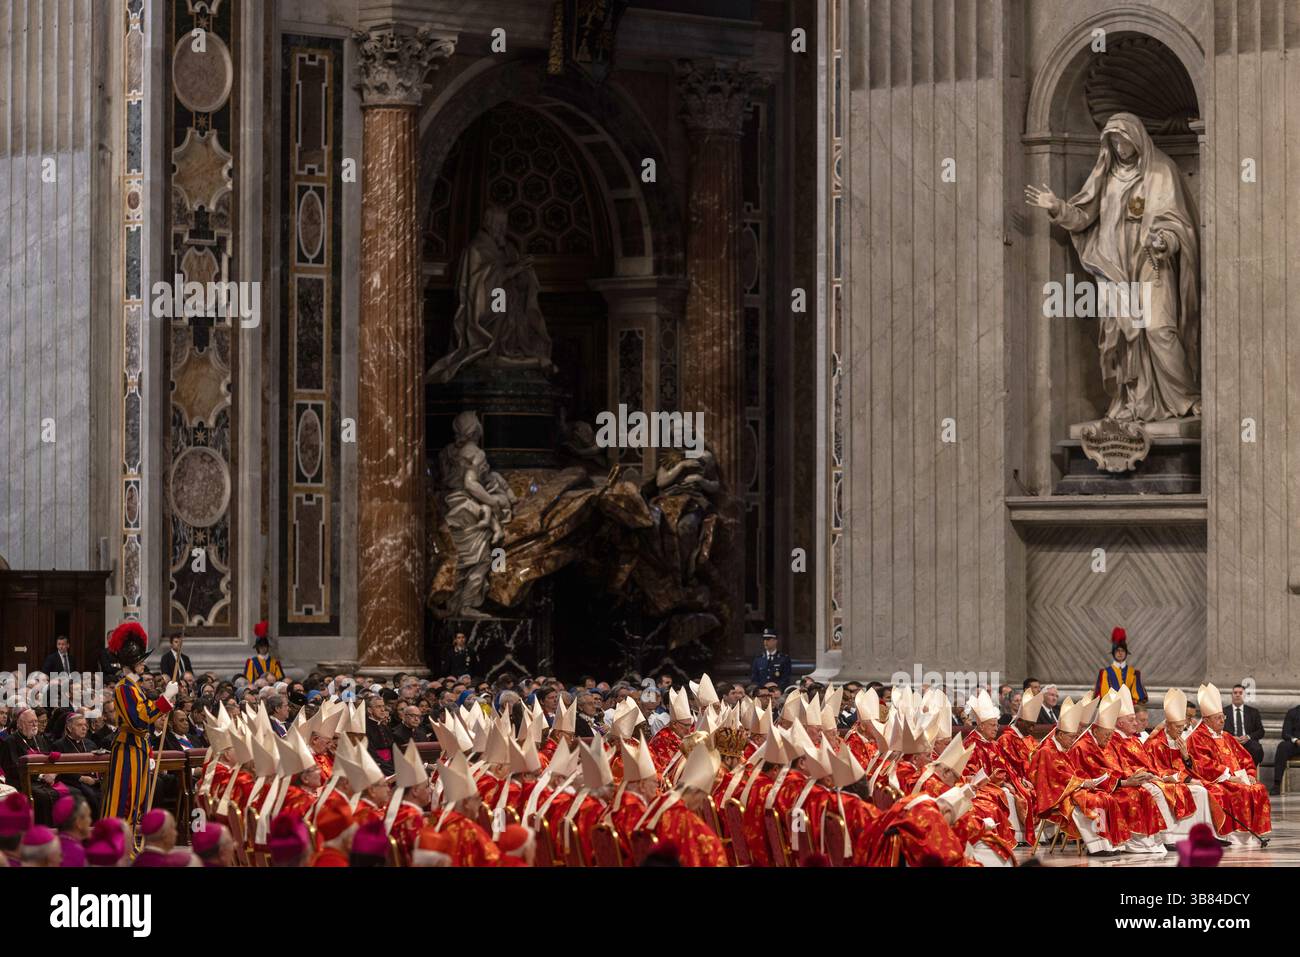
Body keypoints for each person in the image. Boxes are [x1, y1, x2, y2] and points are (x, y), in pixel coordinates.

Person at [103, 622, 179, 837]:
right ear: (133, 662)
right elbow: (139, 720)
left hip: (138, 747)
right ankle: (117, 843)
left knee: (137, 798)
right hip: (127, 748)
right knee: (125, 799)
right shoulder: (125, 688)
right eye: (141, 661)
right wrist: (166, 698)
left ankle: (129, 843)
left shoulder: (133, 687)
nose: (144, 665)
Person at [52, 712, 102, 818]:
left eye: (85, 725)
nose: (84, 728)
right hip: (73, 781)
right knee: (91, 795)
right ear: (69, 728)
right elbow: (60, 769)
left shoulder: (90, 744)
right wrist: (81, 778)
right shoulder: (59, 745)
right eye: (80, 725)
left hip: (93, 780)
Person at [1093, 627, 1147, 703]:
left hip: (1130, 709)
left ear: (1126, 652)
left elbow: (1138, 695)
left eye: (1122, 650)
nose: (1120, 653)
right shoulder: (1105, 672)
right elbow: (1104, 695)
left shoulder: (1133, 673)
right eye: (1117, 650)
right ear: (1113, 652)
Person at [1223, 684, 1264, 769]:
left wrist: (1248, 737)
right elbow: (1217, 730)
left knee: (1257, 748)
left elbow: (1261, 731)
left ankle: (1251, 772)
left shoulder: (1253, 712)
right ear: (1231, 695)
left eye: (1240, 693)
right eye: (1235, 693)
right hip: (1229, 742)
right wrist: (1231, 737)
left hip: (1248, 742)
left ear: (1244, 695)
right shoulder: (1223, 711)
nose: (1238, 695)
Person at [1270, 700, 1300, 795]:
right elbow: (1285, 733)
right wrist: (1296, 740)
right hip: (1296, 744)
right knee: (1282, 746)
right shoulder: (1293, 712)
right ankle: (1277, 784)